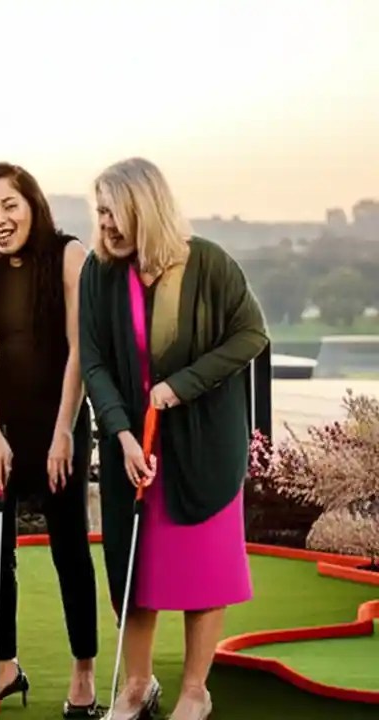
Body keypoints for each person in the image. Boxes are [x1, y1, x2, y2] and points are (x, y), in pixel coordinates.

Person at [79, 158, 267, 720]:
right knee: (135, 569)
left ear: (145, 207)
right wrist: (122, 433)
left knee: (201, 568)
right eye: (101, 211)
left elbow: (251, 334)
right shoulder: (99, 270)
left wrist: (177, 388)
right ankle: (137, 686)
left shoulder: (210, 263)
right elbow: (93, 360)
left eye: (113, 211)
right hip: (133, 449)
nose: (105, 223)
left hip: (203, 445)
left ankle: (193, 690)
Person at [0, 163, 101, 716]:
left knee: (69, 549)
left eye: (9, 205)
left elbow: (80, 349)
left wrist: (64, 430)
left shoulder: (69, 256)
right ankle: (4, 670)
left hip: (60, 421)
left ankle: (83, 672)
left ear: (31, 203)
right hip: (6, 428)